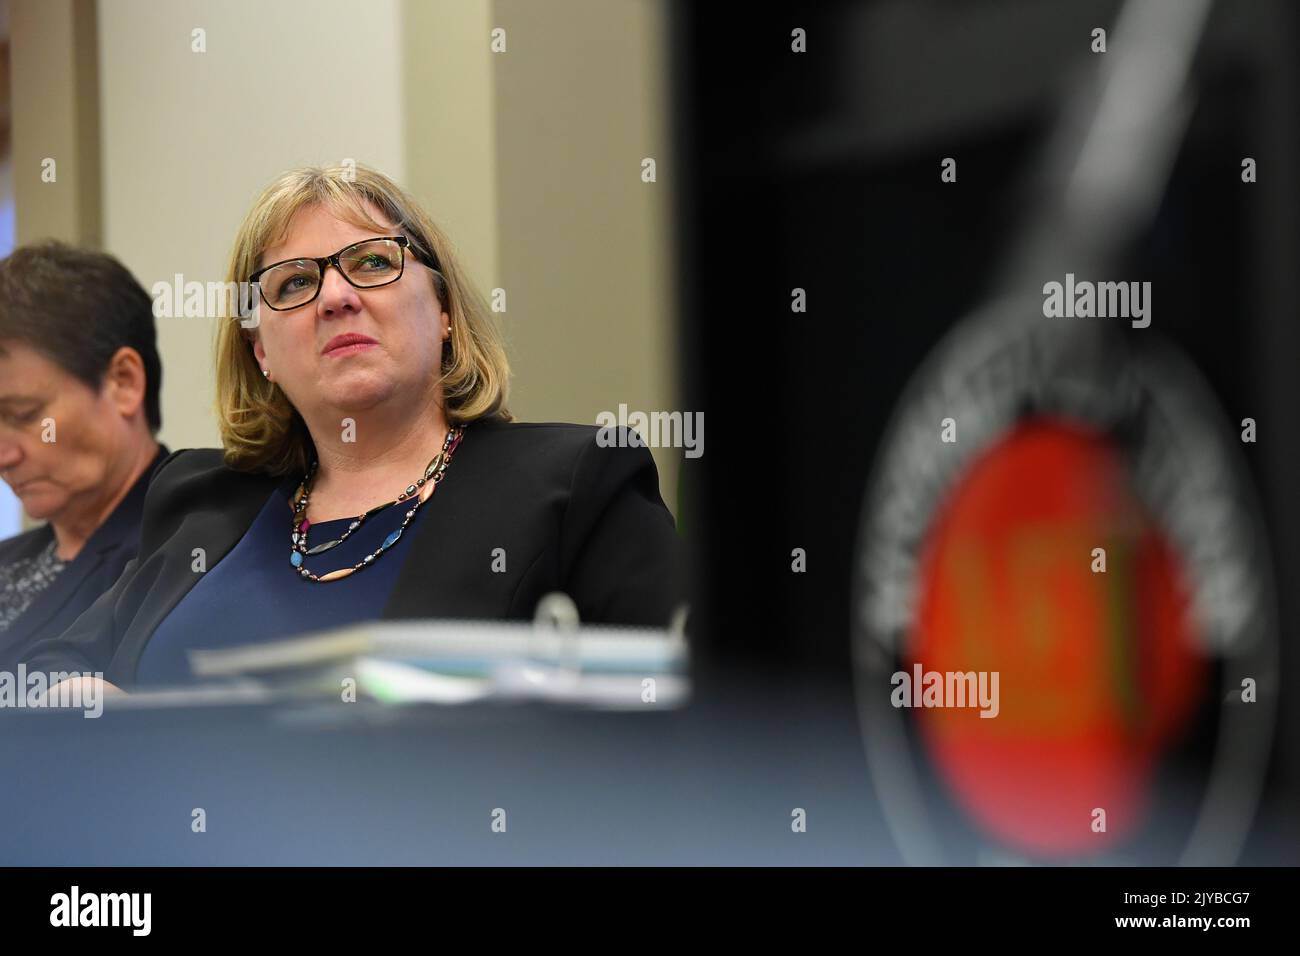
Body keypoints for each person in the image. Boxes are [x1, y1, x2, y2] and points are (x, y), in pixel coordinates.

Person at [25, 164, 681, 692]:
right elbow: (50, 663)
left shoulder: (573, 482)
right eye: (293, 283)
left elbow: (676, 721)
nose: (337, 297)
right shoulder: (200, 495)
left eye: (371, 263)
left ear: (444, 308)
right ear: (262, 353)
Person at [0, 241, 168, 669]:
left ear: (123, 382)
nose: (4, 455)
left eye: (23, 414)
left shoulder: (192, 545)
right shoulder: (8, 561)